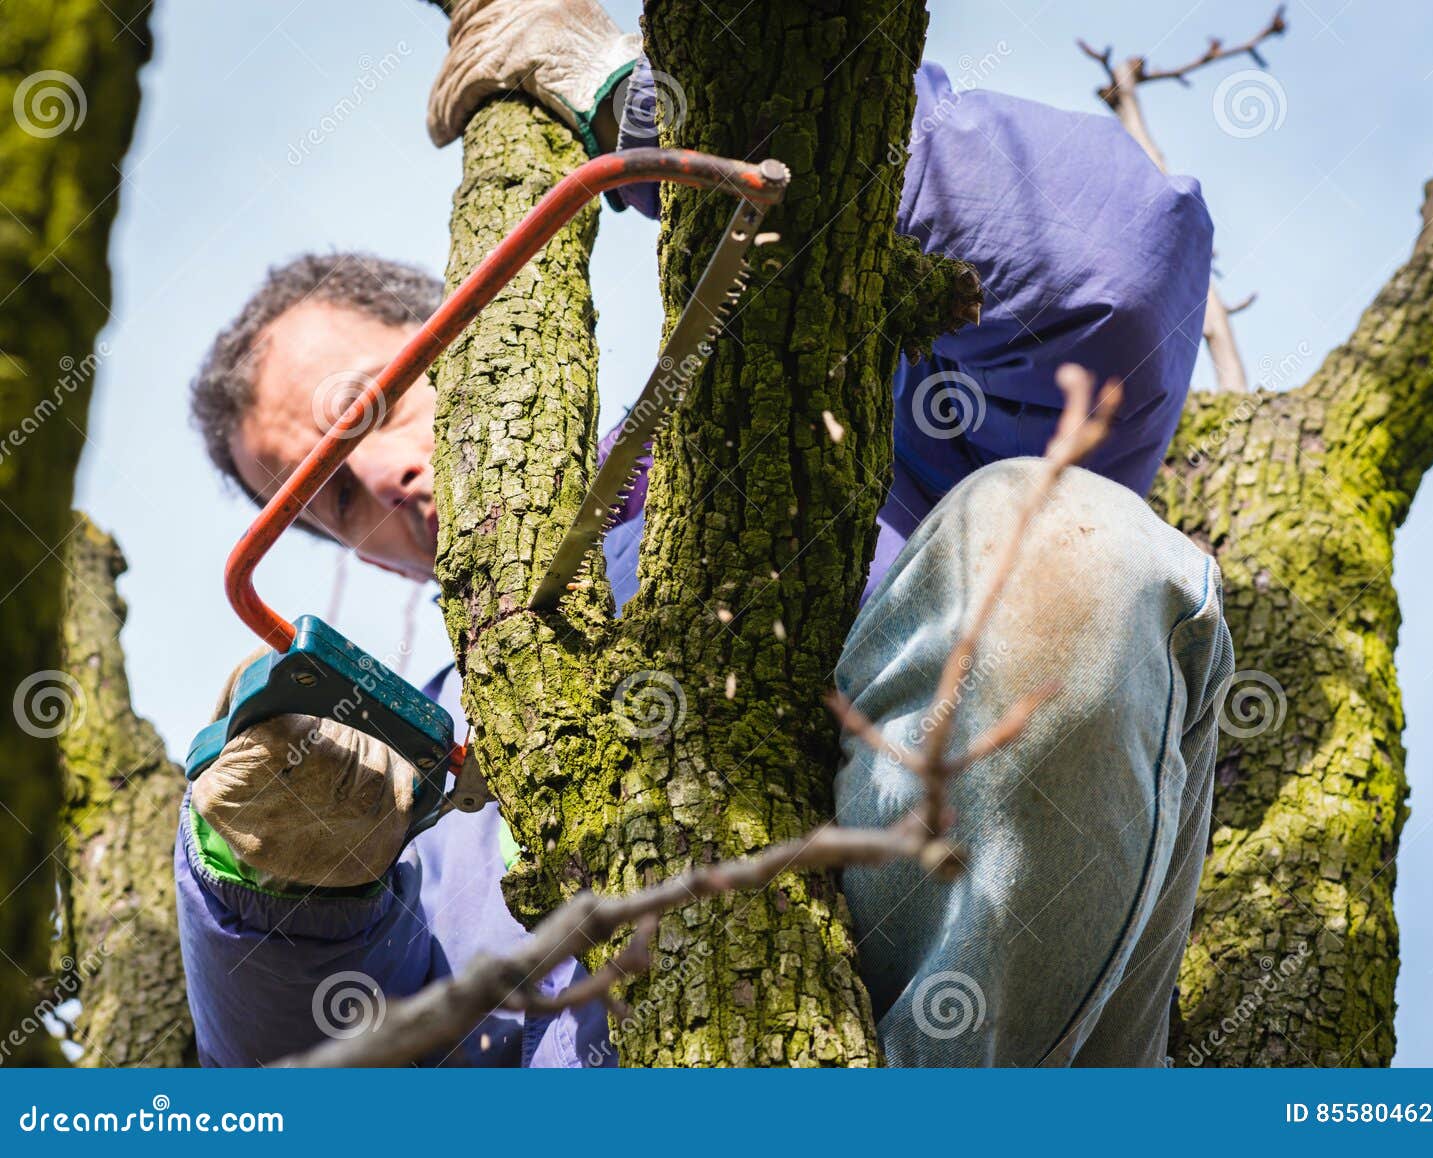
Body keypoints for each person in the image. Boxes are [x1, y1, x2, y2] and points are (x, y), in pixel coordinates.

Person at [177, 0, 1232, 1068]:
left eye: (368, 407)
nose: (378, 478)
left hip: (972, 1050)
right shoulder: (406, 771)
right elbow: (310, 1104)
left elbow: (1115, 265)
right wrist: (289, 898)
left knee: (1073, 537)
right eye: (330, 503)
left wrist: (650, 112)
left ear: (475, 331)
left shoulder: (839, 422)